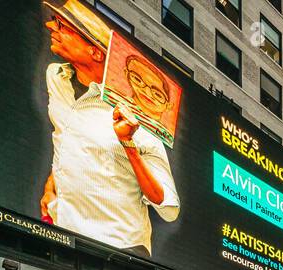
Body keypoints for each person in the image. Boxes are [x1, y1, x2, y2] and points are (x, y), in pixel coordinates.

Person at [40, 1, 180, 256]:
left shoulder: (140, 120)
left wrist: (128, 143)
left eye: (61, 25)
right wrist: (53, 181)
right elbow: (65, 134)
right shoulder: (56, 77)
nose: (50, 26)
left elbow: (164, 203)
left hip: (122, 250)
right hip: (64, 236)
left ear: (95, 51)